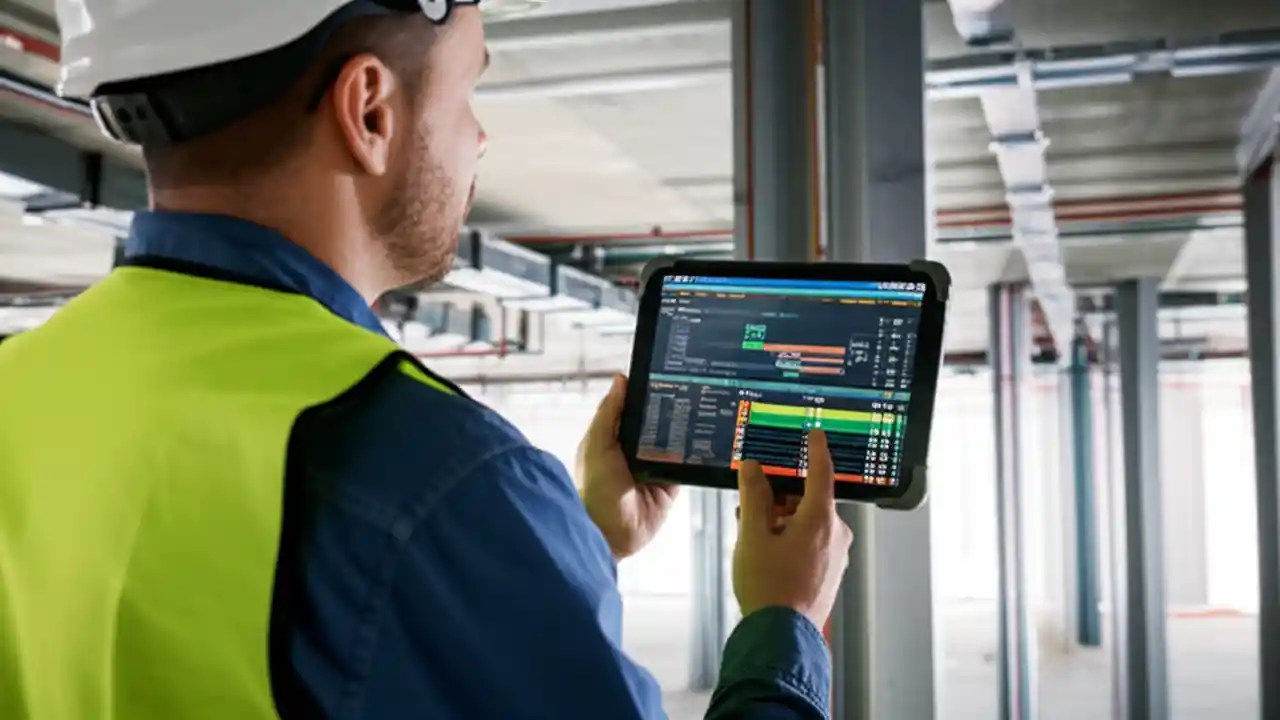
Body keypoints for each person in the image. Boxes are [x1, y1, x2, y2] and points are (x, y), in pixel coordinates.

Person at [0, 0, 854, 718]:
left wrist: (568, 544)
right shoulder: (436, 473)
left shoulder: (21, 383)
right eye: (470, 86)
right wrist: (784, 623)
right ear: (370, 109)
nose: (478, 137)